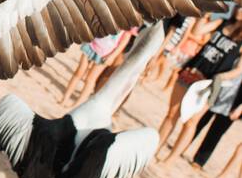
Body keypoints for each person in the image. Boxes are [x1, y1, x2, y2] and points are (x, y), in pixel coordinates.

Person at [157, 12, 242, 153]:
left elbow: (239, 70)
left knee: (190, 123)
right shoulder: (222, 22)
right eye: (239, 6)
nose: (239, 9)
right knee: (171, 114)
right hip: (192, 71)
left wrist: (220, 78)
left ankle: (170, 159)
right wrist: (206, 13)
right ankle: (156, 148)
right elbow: (197, 31)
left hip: (208, 84)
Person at [161, 68, 242, 169]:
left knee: (217, 131)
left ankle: (200, 160)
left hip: (232, 100)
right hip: (216, 89)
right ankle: (181, 148)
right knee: (200, 121)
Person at [60, 29, 138, 108]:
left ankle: (77, 104)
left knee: (90, 79)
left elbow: (123, 42)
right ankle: (64, 98)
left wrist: (112, 56)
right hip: (91, 45)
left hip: (105, 54)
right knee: (79, 72)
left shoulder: (129, 27)